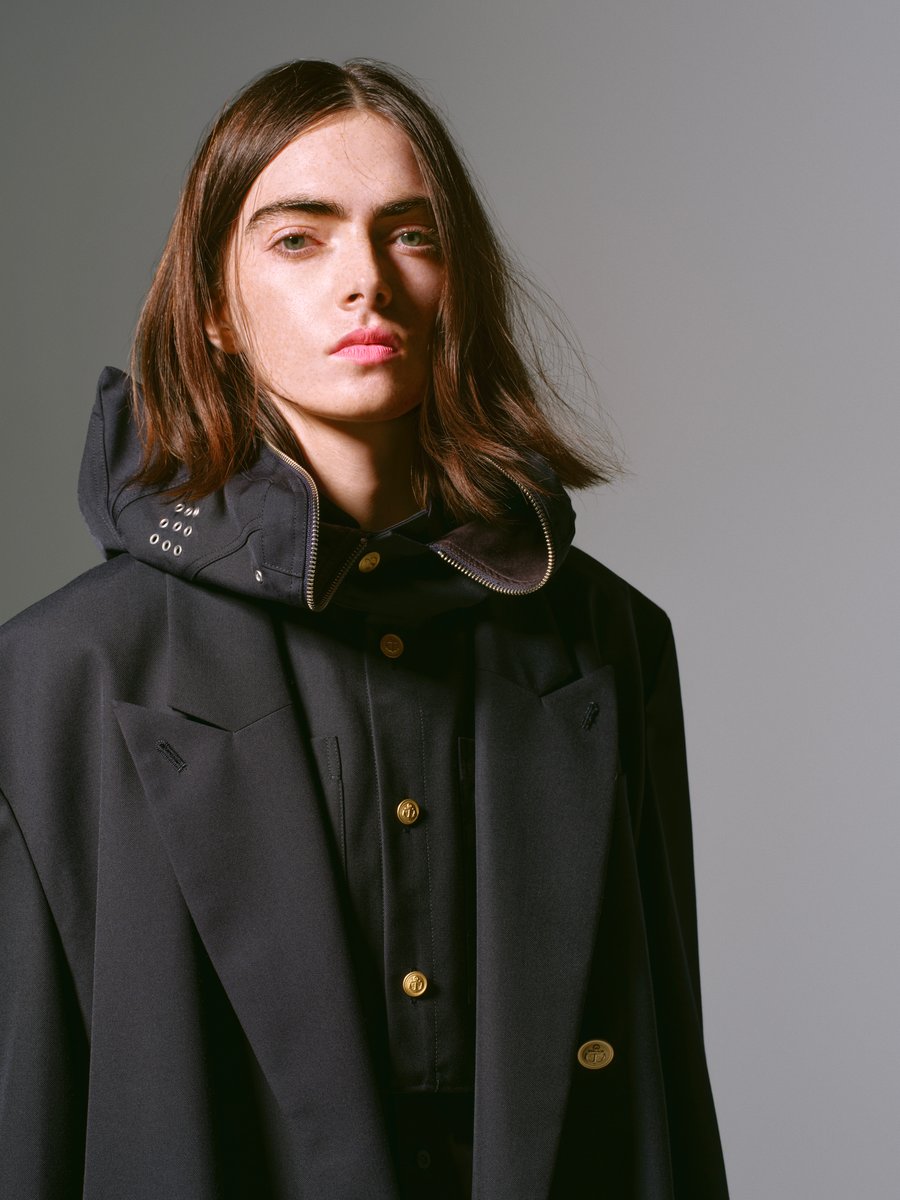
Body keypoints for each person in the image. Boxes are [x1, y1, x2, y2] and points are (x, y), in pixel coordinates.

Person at [0, 58, 729, 1199]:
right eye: (300, 239)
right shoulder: (60, 674)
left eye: (410, 235)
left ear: (458, 282)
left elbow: (661, 1100)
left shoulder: (609, 640)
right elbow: (30, 1124)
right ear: (215, 309)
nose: (366, 283)